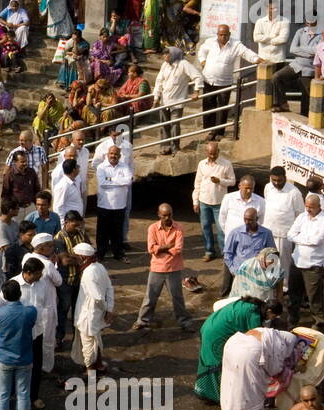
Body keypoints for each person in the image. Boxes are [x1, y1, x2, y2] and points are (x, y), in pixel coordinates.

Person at [195, 297, 273, 403]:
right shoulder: (254, 315)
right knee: (218, 364)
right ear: (269, 311)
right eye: (273, 316)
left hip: (209, 326)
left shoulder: (250, 305)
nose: (271, 319)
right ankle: (217, 397)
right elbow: (257, 340)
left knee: (210, 359)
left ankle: (205, 391)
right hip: (215, 335)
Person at [219, 326, 300, 410]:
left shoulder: (268, 332)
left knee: (232, 383)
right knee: (248, 389)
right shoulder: (280, 345)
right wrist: (288, 370)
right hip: (249, 353)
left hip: (233, 344)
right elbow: (275, 370)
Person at [133, 203, 190, 331]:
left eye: (169, 215)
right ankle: (142, 320)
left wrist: (160, 248)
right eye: (164, 215)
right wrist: (168, 246)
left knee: (177, 297)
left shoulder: (179, 228)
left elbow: (178, 249)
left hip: (174, 268)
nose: (167, 218)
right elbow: (151, 249)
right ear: (159, 215)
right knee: (150, 297)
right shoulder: (152, 228)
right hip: (157, 268)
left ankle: (184, 322)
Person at [0, 280, 37, 410]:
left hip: (4, 358)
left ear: (4, 295)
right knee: (23, 394)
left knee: (2, 393)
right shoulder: (30, 312)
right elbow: (32, 322)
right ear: (20, 293)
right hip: (24, 358)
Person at [196, 25, 258, 139]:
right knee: (208, 105)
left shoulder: (235, 44)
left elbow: (246, 53)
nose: (223, 37)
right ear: (217, 35)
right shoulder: (210, 42)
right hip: (208, 79)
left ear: (229, 34)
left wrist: (257, 59)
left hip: (224, 82)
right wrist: (203, 61)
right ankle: (209, 131)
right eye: (221, 35)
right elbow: (201, 51)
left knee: (222, 107)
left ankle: (219, 132)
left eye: (225, 35)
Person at [286, 194, 324, 326]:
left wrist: (300, 238)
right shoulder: (302, 217)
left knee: (314, 297)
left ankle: (318, 322)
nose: (308, 209)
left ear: (319, 207)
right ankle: (292, 321)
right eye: (306, 206)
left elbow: (317, 241)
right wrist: (306, 240)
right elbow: (290, 235)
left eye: (311, 207)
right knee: (294, 295)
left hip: (314, 265)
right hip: (297, 262)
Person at [72, 242, 114, 373]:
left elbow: (97, 297)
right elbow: (109, 288)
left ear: (82, 257)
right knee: (96, 339)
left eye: (75, 257)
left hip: (89, 313)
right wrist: (109, 309)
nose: (74, 260)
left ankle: (90, 370)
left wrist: (107, 309)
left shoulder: (88, 273)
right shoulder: (100, 267)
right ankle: (100, 365)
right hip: (97, 312)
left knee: (88, 342)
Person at [192, 140, 234, 262]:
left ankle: (224, 252)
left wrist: (220, 181)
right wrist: (195, 201)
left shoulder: (226, 164)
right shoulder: (202, 164)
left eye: (214, 154)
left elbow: (232, 181)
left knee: (221, 229)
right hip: (204, 201)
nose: (212, 156)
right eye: (210, 154)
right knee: (205, 227)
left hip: (219, 202)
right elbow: (197, 183)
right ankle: (209, 251)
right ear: (206, 152)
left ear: (218, 152)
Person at [94, 145, 131, 261]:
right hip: (104, 205)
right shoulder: (101, 167)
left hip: (120, 205)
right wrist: (120, 182)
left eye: (116, 154)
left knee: (117, 232)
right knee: (102, 232)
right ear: (107, 154)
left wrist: (110, 179)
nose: (113, 156)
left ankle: (118, 254)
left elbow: (129, 181)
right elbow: (102, 183)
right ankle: (100, 254)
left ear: (119, 156)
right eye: (111, 153)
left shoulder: (124, 166)